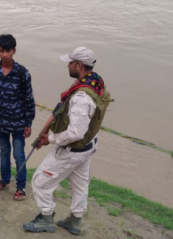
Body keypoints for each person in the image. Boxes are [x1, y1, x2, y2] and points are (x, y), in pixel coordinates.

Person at [24, 47, 111, 235]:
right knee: (80, 184)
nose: (68, 65)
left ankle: (46, 218)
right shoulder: (95, 81)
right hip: (88, 146)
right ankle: (75, 220)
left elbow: (76, 133)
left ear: (78, 65)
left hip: (73, 149)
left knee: (39, 182)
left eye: (70, 62)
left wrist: (50, 139)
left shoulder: (81, 97)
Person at [0, 34, 35, 201]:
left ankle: (21, 187)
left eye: (8, 51)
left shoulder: (22, 73)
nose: (4, 54)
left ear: (14, 51)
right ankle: (5, 180)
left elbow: (29, 98)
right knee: (4, 151)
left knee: (19, 154)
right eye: (1, 51)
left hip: (18, 121)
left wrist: (28, 123)